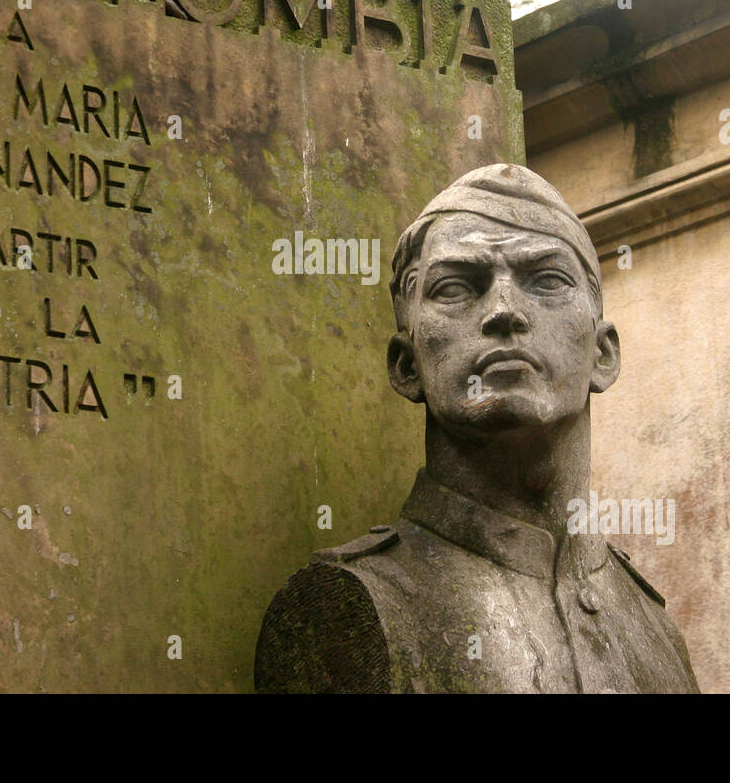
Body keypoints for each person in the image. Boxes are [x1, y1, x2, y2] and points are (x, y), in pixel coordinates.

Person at [255, 163, 700, 693]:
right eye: (457, 287)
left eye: (547, 280)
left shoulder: (652, 625)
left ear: (602, 354)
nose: (505, 312)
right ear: (406, 366)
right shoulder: (343, 607)